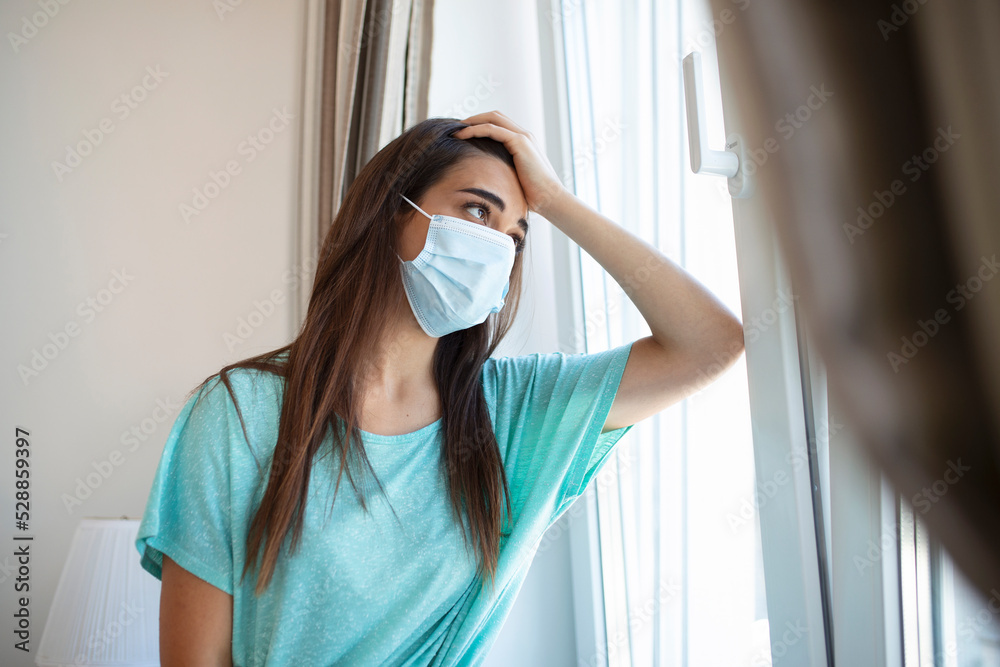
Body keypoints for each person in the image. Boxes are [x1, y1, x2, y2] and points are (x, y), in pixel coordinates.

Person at [134, 110, 744, 666]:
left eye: (516, 236)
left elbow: (711, 343)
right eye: (478, 211)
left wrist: (556, 200)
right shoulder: (240, 412)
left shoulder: (515, 411)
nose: (497, 247)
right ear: (395, 210)